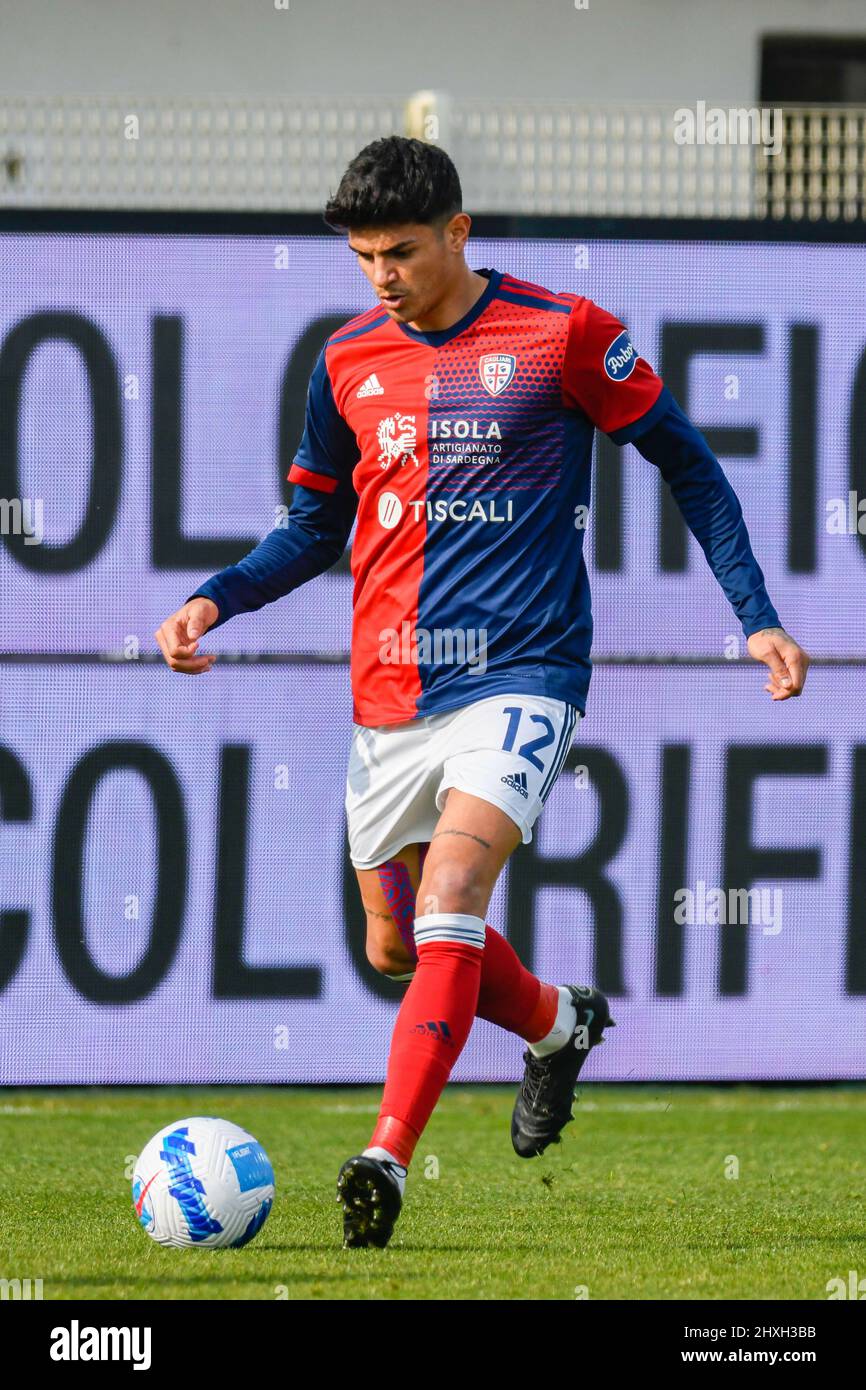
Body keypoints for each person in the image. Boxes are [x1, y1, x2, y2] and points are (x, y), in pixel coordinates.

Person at [154, 135, 810, 1250]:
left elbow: (686, 461)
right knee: (394, 946)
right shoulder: (346, 360)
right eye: (361, 255)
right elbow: (317, 521)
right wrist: (216, 598)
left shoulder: (561, 335)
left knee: (456, 879)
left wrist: (754, 615)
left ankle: (385, 1159)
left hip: (524, 671)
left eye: (399, 250)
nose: (380, 274)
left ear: (459, 232)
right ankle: (557, 1026)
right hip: (389, 689)